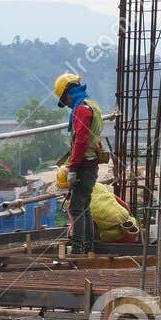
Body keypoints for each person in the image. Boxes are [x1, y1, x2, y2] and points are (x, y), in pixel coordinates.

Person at [53, 71, 104, 256]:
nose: (66, 104)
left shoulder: (81, 109)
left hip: (84, 165)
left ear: (68, 93)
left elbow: (81, 140)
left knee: (75, 207)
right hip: (90, 163)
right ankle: (88, 245)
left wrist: (73, 167)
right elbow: (95, 139)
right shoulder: (92, 105)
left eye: (64, 100)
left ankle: (78, 249)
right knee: (84, 206)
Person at [55, 166, 140, 244]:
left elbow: (78, 233)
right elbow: (125, 205)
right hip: (133, 229)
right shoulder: (99, 186)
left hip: (115, 238)